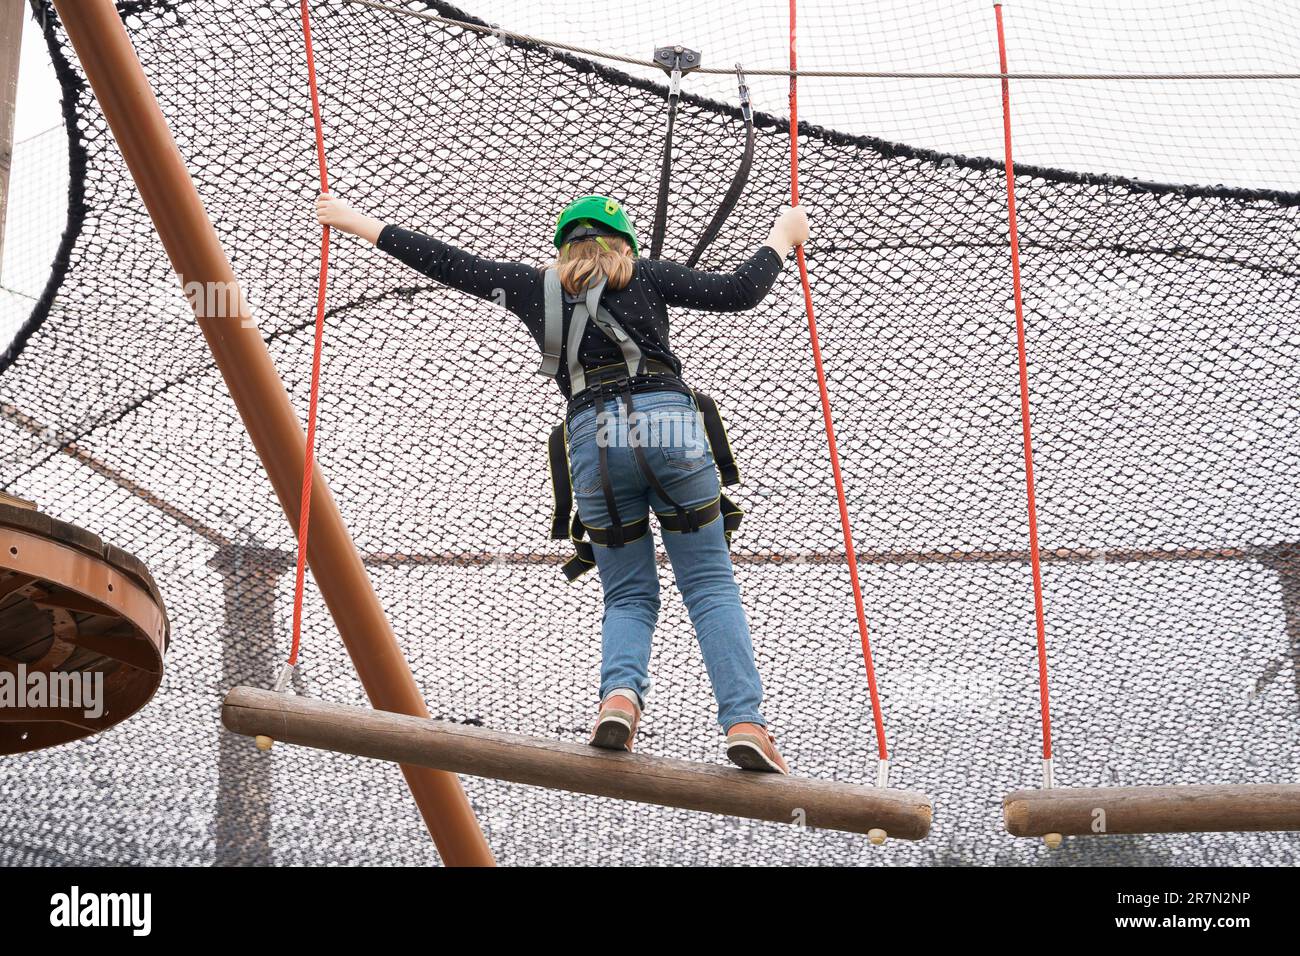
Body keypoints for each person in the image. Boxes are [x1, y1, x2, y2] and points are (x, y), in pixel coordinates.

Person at [316, 191, 809, 772]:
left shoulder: (534, 289)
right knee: (708, 585)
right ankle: (744, 722)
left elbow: (449, 263)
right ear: (621, 244)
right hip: (669, 425)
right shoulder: (647, 276)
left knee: (627, 592)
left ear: (563, 249)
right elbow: (739, 292)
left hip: (593, 442)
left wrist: (357, 220)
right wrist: (783, 236)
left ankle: (619, 701)